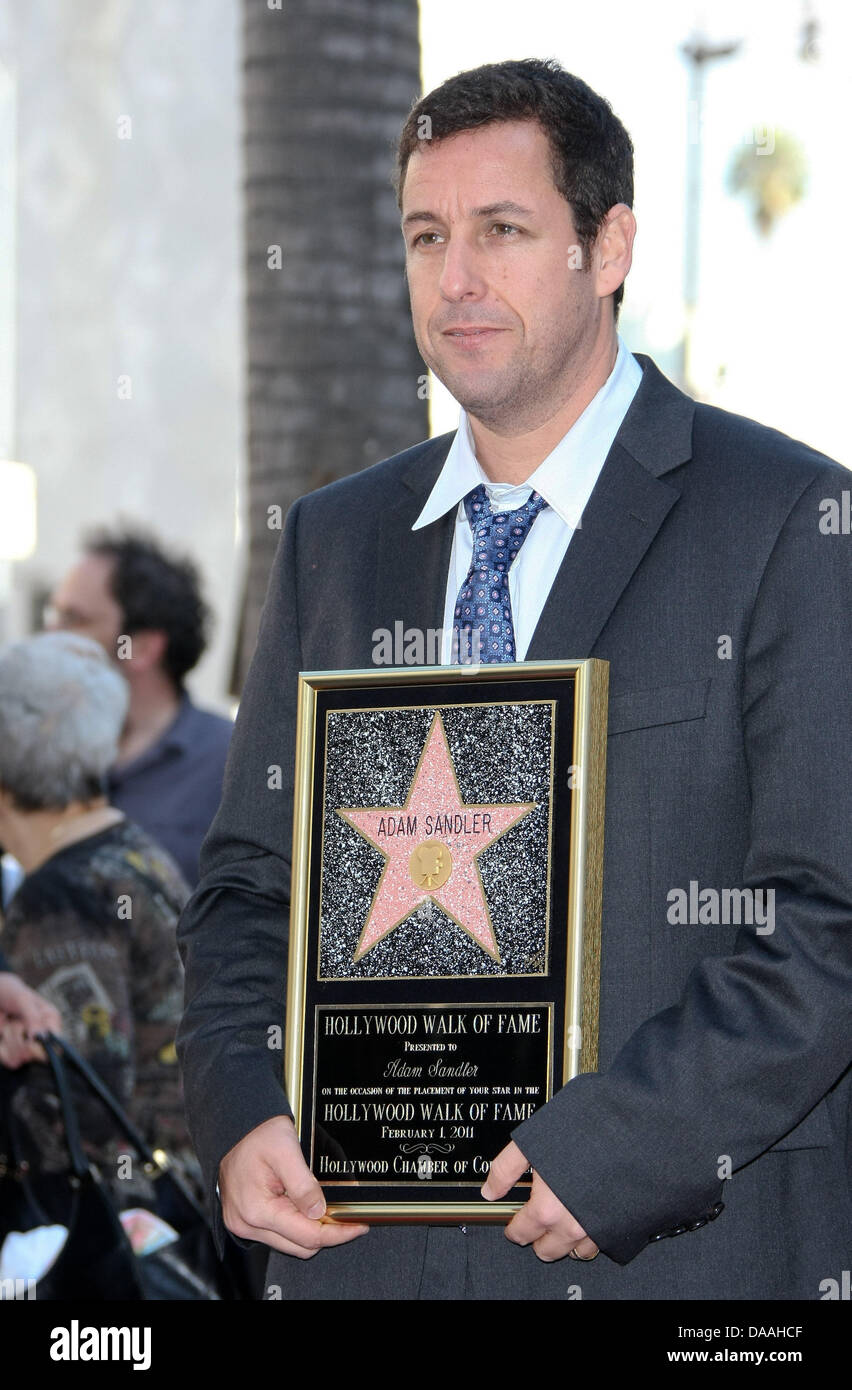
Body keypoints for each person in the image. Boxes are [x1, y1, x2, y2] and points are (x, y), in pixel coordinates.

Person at [176, 59, 852, 1300]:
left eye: (503, 231)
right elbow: (242, 889)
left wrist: (622, 1149)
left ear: (611, 247)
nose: (456, 279)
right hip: (361, 1259)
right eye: (427, 235)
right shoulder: (336, 541)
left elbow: (829, 917)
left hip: (675, 1262)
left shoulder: (788, 519)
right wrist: (237, 1105)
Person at [0, 632, 194, 1188]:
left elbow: (78, 1110)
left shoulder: (59, 900)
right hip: (180, 1197)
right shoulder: (134, 853)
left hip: (123, 1221)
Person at [45, 528, 233, 887]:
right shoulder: (41, 748)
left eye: (73, 619)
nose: (51, 637)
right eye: (51, 616)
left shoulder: (233, 764)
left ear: (143, 648)